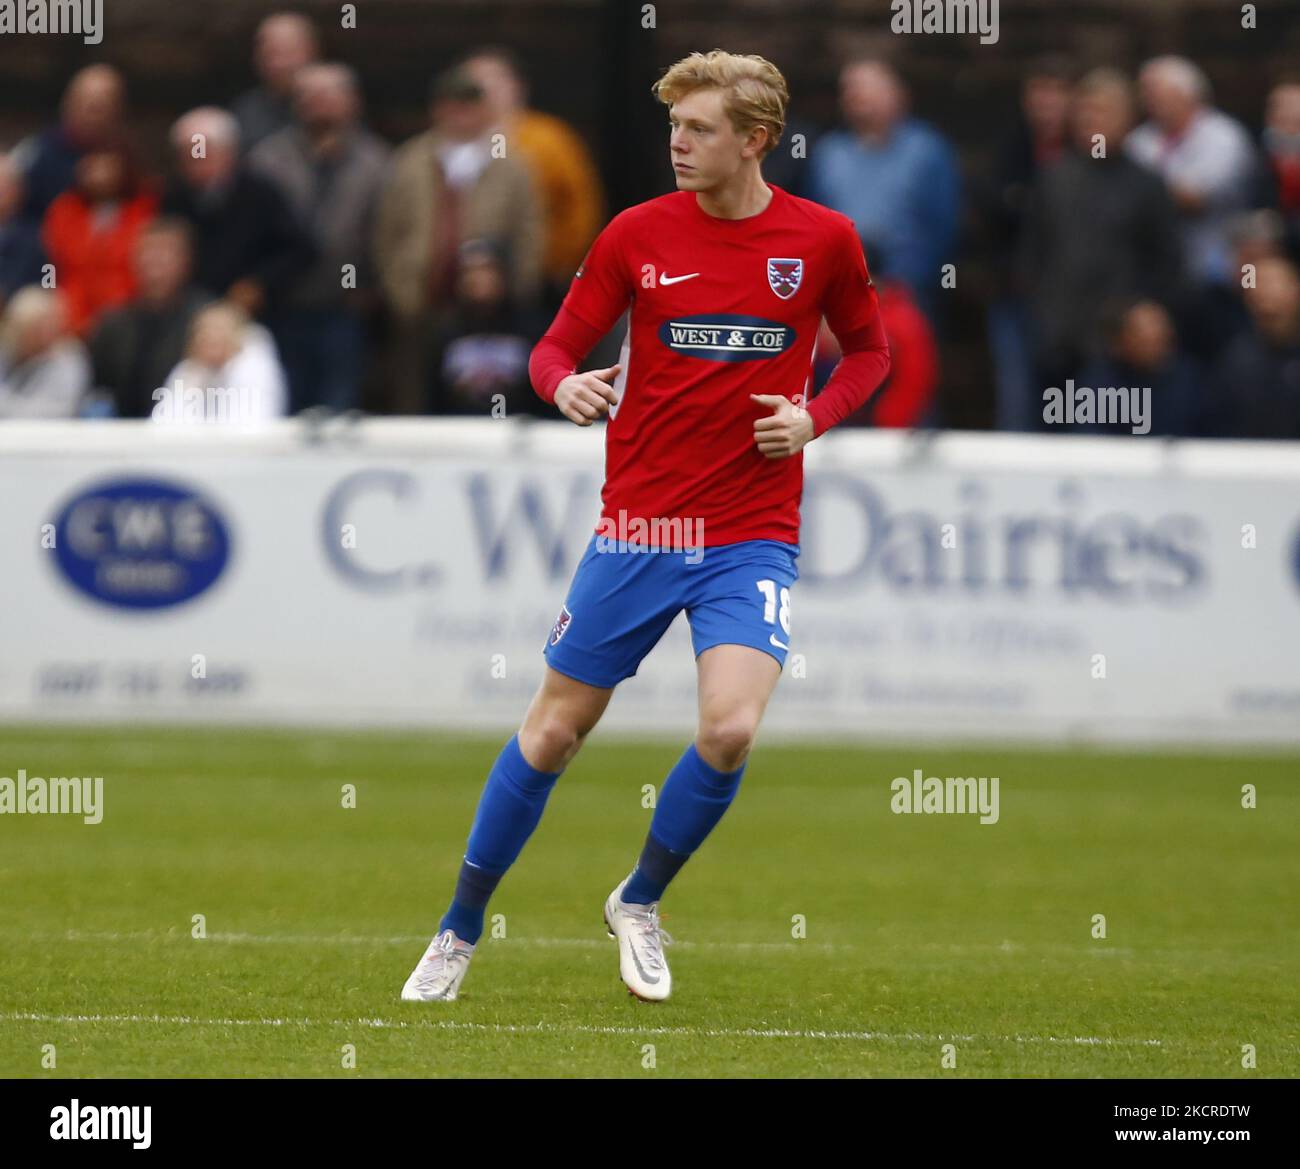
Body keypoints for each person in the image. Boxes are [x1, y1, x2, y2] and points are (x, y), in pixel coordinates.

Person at [400, 50, 891, 1005]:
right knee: (552, 736)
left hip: (751, 533)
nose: (677, 142)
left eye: (699, 128)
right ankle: (460, 926)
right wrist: (562, 383)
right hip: (640, 531)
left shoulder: (824, 240)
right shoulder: (635, 233)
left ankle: (640, 898)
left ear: (755, 141)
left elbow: (868, 352)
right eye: (673, 125)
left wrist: (814, 417)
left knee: (732, 727)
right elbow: (553, 346)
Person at [373, 66, 542, 412]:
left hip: (486, 313)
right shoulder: (409, 161)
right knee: (415, 396)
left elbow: (530, 235)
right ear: (438, 110)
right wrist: (399, 290)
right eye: (453, 106)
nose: (461, 115)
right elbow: (386, 233)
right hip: (421, 305)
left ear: (485, 110)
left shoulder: (509, 165)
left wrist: (514, 294)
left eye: (470, 106)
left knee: (482, 395)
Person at [250, 62, 391, 412]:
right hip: (282, 306)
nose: (319, 104)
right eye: (310, 96)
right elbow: (253, 232)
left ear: (352, 101)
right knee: (284, 404)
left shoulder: (378, 162)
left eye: (329, 95)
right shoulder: (269, 159)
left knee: (340, 406)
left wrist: (373, 288)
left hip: (346, 311)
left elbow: (389, 235)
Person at [806, 57, 959, 321]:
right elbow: (815, 224)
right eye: (849, 88)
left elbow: (942, 225)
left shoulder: (926, 150)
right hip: (843, 293)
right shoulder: (829, 152)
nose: (857, 94)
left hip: (910, 293)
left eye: (868, 87)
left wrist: (907, 280)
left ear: (898, 94)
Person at [462, 47, 605, 301]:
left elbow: (580, 208)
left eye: (493, 82)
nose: (485, 93)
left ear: (517, 86)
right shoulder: (454, 142)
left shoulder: (549, 138)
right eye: (474, 86)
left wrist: (556, 264)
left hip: (541, 279)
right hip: (468, 280)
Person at [161, 107, 316, 320]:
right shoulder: (174, 199)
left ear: (228, 153)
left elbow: (299, 248)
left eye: (201, 153)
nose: (194, 161)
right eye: (186, 155)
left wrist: (259, 282)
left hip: (260, 312)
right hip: (193, 310)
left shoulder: (260, 193)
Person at [89, 218, 212, 418]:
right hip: (120, 437)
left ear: (186, 261)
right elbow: (98, 390)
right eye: (147, 252)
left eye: (165, 253)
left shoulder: (205, 321)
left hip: (186, 435)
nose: (155, 262)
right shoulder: (113, 323)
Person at [40, 139, 158, 336]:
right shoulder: (63, 210)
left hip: (128, 312)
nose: (100, 175)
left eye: (108, 166)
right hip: (69, 310)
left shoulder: (145, 209)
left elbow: (146, 267)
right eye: (93, 166)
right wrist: (51, 298)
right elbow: (50, 264)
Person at [155, 301, 288, 425]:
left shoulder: (255, 369)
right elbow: (164, 423)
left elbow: (252, 424)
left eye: (219, 330)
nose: (210, 336)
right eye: (203, 331)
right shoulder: (188, 370)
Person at [231, 11, 321, 154]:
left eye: (288, 53)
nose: (279, 64)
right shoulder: (245, 112)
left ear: (311, 52)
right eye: (271, 53)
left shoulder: (335, 108)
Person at [0, 287, 90, 418]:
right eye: (19, 328)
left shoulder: (69, 361)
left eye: (32, 330)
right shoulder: (6, 353)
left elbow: (53, 413)